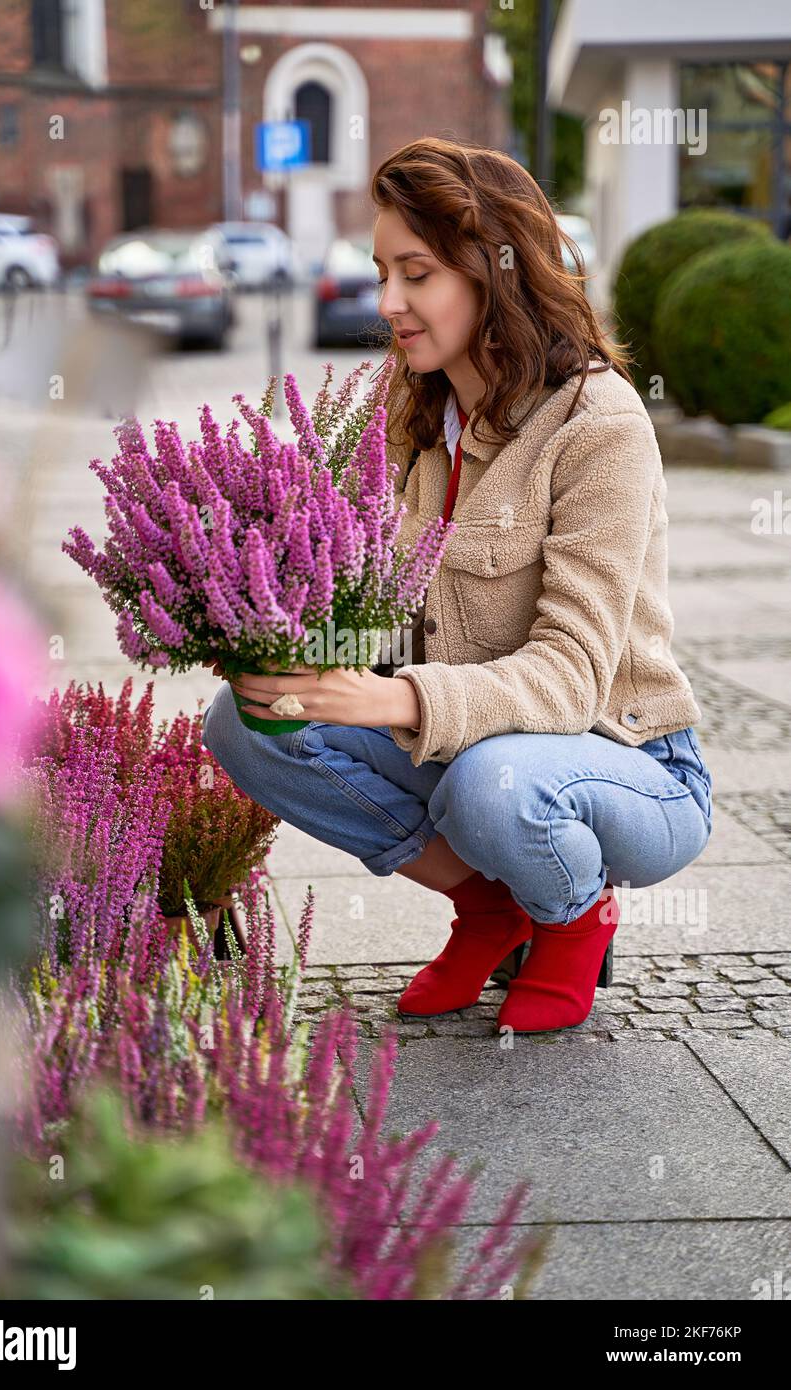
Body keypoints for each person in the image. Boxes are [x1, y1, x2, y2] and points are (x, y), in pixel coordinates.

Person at [201, 136, 713, 1036]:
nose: (388, 302)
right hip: (470, 745)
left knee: (492, 783)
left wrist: (388, 698)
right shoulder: (409, 415)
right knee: (246, 719)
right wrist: (279, 641)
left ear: (493, 273)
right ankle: (489, 907)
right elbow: (384, 620)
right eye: (381, 272)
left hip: (628, 766)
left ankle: (574, 912)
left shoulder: (598, 423)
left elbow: (570, 679)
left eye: (417, 273)